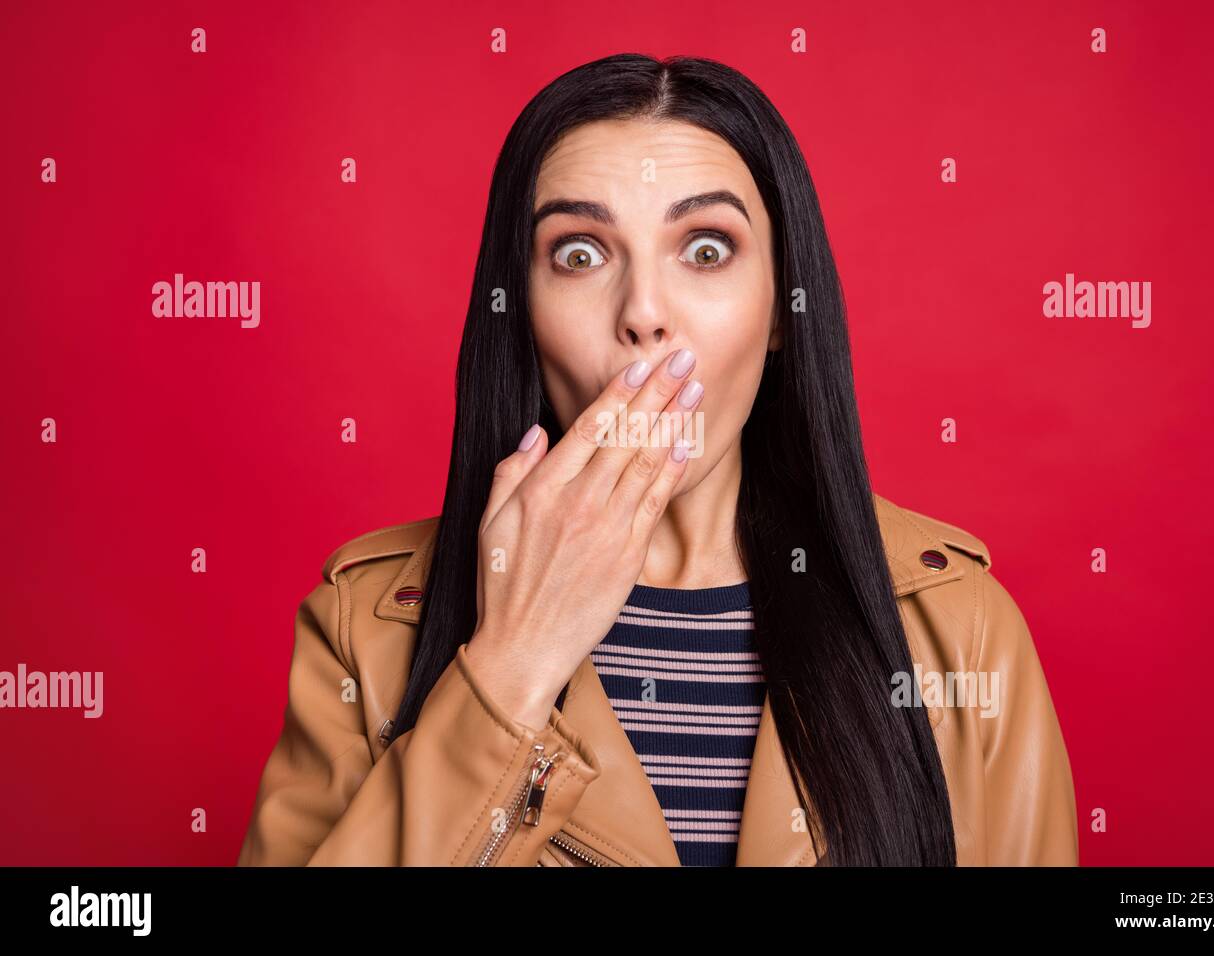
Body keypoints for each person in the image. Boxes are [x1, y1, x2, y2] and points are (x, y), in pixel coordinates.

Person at [236, 53, 1078, 867]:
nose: (643, 313)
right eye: (580, 253)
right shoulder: (367, 630)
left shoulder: (960, 629)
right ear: (520, 311)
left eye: (706, 249)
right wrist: (513, 663)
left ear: (782, 310)